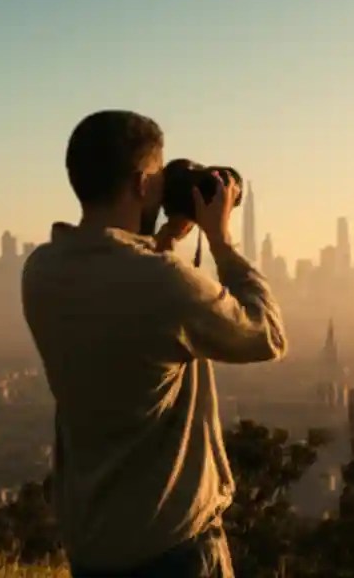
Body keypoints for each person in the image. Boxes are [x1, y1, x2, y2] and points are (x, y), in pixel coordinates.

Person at [21, 110, 287, 577]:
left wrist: (163, 240)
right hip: (171, 544)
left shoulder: (42, 271)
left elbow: (122, 297)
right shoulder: (163, 284)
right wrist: (221, 242)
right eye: (161, 180)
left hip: (94, 542)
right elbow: (266, 333)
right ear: (143, 184)